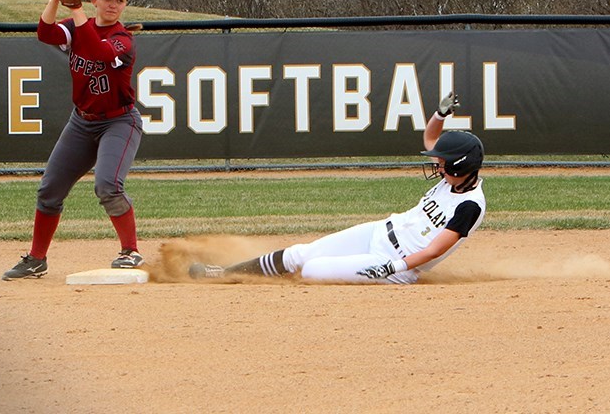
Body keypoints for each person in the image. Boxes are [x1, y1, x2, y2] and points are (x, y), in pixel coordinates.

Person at [188, 92, 485, 284]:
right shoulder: (452, 179)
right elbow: (431, 139)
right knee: (299, 254)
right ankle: (226, 273)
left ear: (459, 166)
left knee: (312, 270)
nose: (437, 166)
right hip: (380, 232)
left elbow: (434, 250)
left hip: (395, 264)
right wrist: (440, 115)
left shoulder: (469, 206)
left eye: (443, 163)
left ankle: (277, 280)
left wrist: (392, 267)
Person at [3, 0, 144, 280]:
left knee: (107, 185)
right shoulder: (75, 26)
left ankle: (130, 251)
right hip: (81, 122)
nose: (113, 4)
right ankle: (36, 259)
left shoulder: (123, 39)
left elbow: (98, 51)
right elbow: (45, 33)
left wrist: (76, 8)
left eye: (120, 0)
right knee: (49, 190)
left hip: (119, 122)